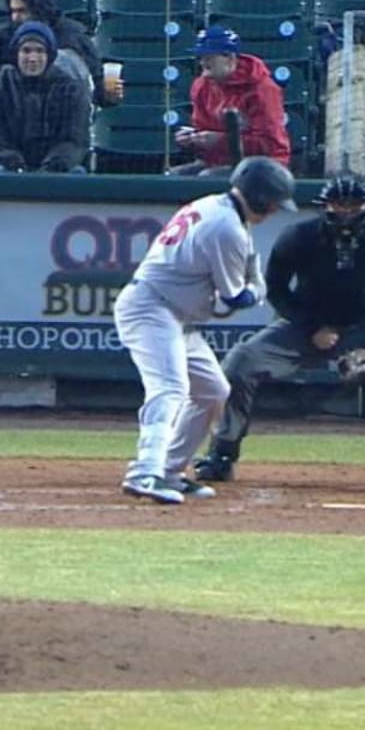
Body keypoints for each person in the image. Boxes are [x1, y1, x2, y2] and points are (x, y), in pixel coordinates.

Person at [194, 172, 365, 483]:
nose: (345, 211)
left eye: (353, 204)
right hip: (304, 325)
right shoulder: (299, 237)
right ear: (324, 206)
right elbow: (277, 291)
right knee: (241, 362)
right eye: (337, 204)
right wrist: (312, 327)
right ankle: (221, 453)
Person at [116, 157, 298, 504]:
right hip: (151, 307)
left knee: (212, 390)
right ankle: (145, 473)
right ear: (259, 197)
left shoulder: (214, 207)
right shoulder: (226, 227)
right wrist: (258, 283)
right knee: (169, 388)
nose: (274, 210)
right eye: (272, 202)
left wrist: (247, 264)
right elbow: (236, 298)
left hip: (174, 314)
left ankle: (171, 470)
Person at [170, 26, 289, 176]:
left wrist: (220, 140)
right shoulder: (201, 86)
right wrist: (193, 139)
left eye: (209, 57)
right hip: (219, 161)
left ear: (230, 58)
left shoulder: (262, 88)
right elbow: (202, 128)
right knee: (174, 176)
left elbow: (269, 145)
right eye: (201, 57)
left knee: (208, 177)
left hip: (264, 164)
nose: (203, 62)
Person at [0, 21, 89, 173]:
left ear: (50, 55)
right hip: (8, 166)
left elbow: (74, 139)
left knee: (77, 173)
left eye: (40, 51)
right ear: (16, 54)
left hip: (55, 168)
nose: (33, 58)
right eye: (26, 51)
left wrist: (52, 167)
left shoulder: (71, 89)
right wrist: (16, 165)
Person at [0, 0, 121, 108]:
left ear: (39, 8)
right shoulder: (4, 36)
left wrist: (109, 96)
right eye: (13, 11)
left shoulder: (73, 37)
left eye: (22, 11)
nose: (15, 18)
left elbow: (96, 88)